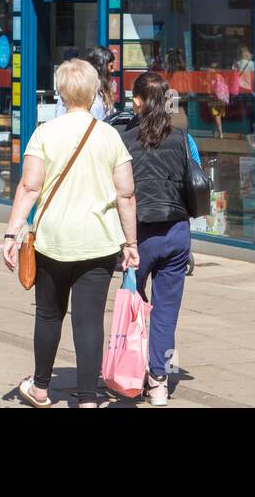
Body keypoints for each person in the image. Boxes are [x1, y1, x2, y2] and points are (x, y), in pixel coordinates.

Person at [3, 59, 138, 409]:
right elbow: (126, 194)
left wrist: (11, 233)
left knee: (48, 314)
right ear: (94, 91)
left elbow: (30, 187)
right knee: (89, 319)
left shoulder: (45, 133)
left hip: (53, 240)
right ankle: (89, 399)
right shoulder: (110, 136)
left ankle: (41, 388)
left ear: (61, 93)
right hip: (98, 242)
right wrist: (130, 242)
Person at [113, 71, 193, 405]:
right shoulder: (181, 137)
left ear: (137, 102)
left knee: (132, 305)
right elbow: (191, 181)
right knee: (166, 311)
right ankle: (159, 381)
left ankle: (128, 370)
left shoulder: (125, 138)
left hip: (139, 234)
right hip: (176, 232)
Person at [55, 46, 117, 121]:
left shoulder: (103, 92)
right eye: (111, 66)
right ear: (102, 67)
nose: (113, 70)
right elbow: (60, 118)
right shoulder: (76, 88)